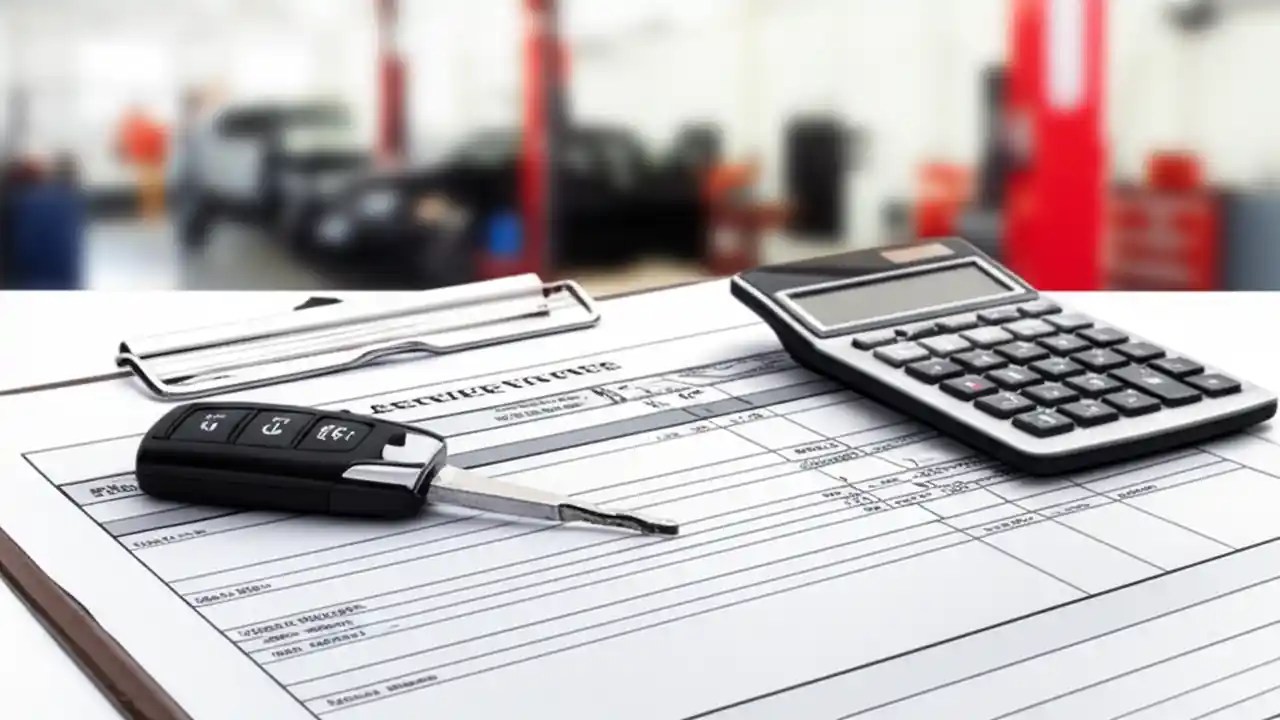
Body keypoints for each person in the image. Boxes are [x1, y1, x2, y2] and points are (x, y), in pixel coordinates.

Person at [116, 104, 168, 220]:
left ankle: (149, 214)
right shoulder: (149, 126)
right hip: (152, 162)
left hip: (145, 162)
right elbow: (160, 142)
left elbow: (126, 145)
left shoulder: (135, 128)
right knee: (153, 191)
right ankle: (153, 214)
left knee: (147, 191)